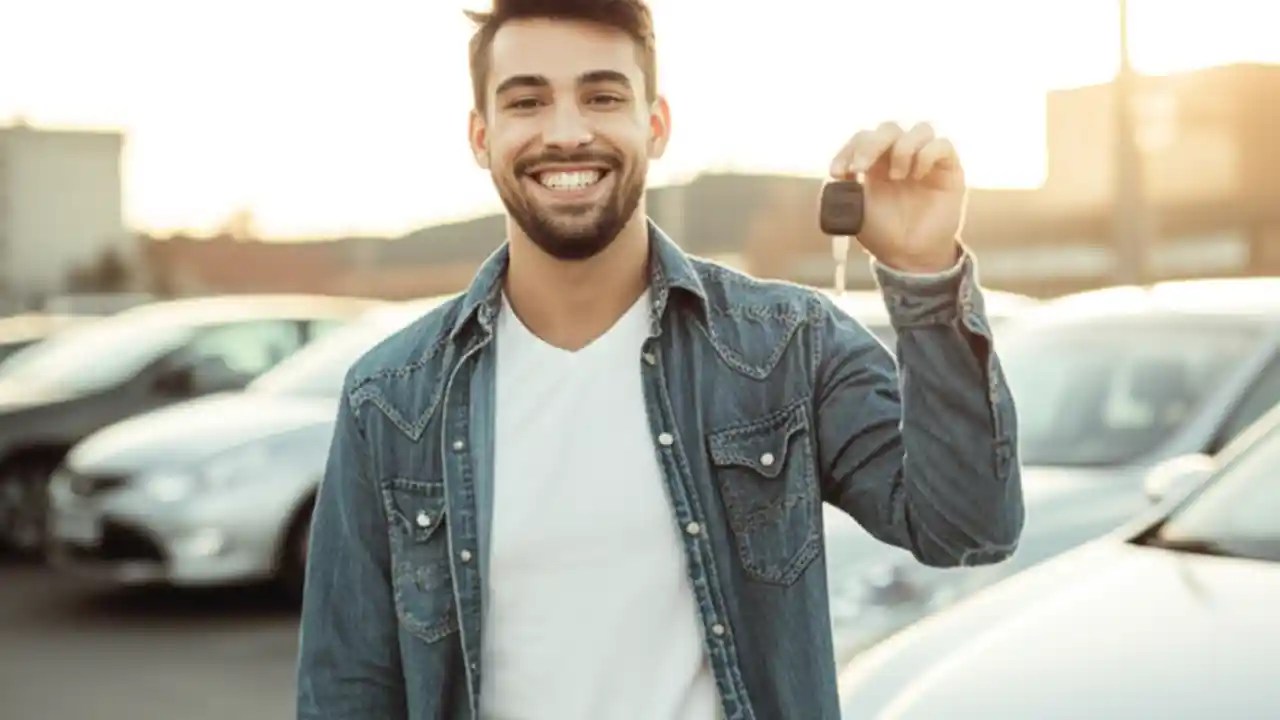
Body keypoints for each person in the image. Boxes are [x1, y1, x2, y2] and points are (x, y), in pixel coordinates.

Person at [295, 1, 1024, 718]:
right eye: (527, 102)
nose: (568, 132)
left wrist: (925, 272)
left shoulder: (786, 346)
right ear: (481, 137)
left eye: (602, 96)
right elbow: (345, 691)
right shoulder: (389, 400)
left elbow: (967, 528)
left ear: (656, 125)